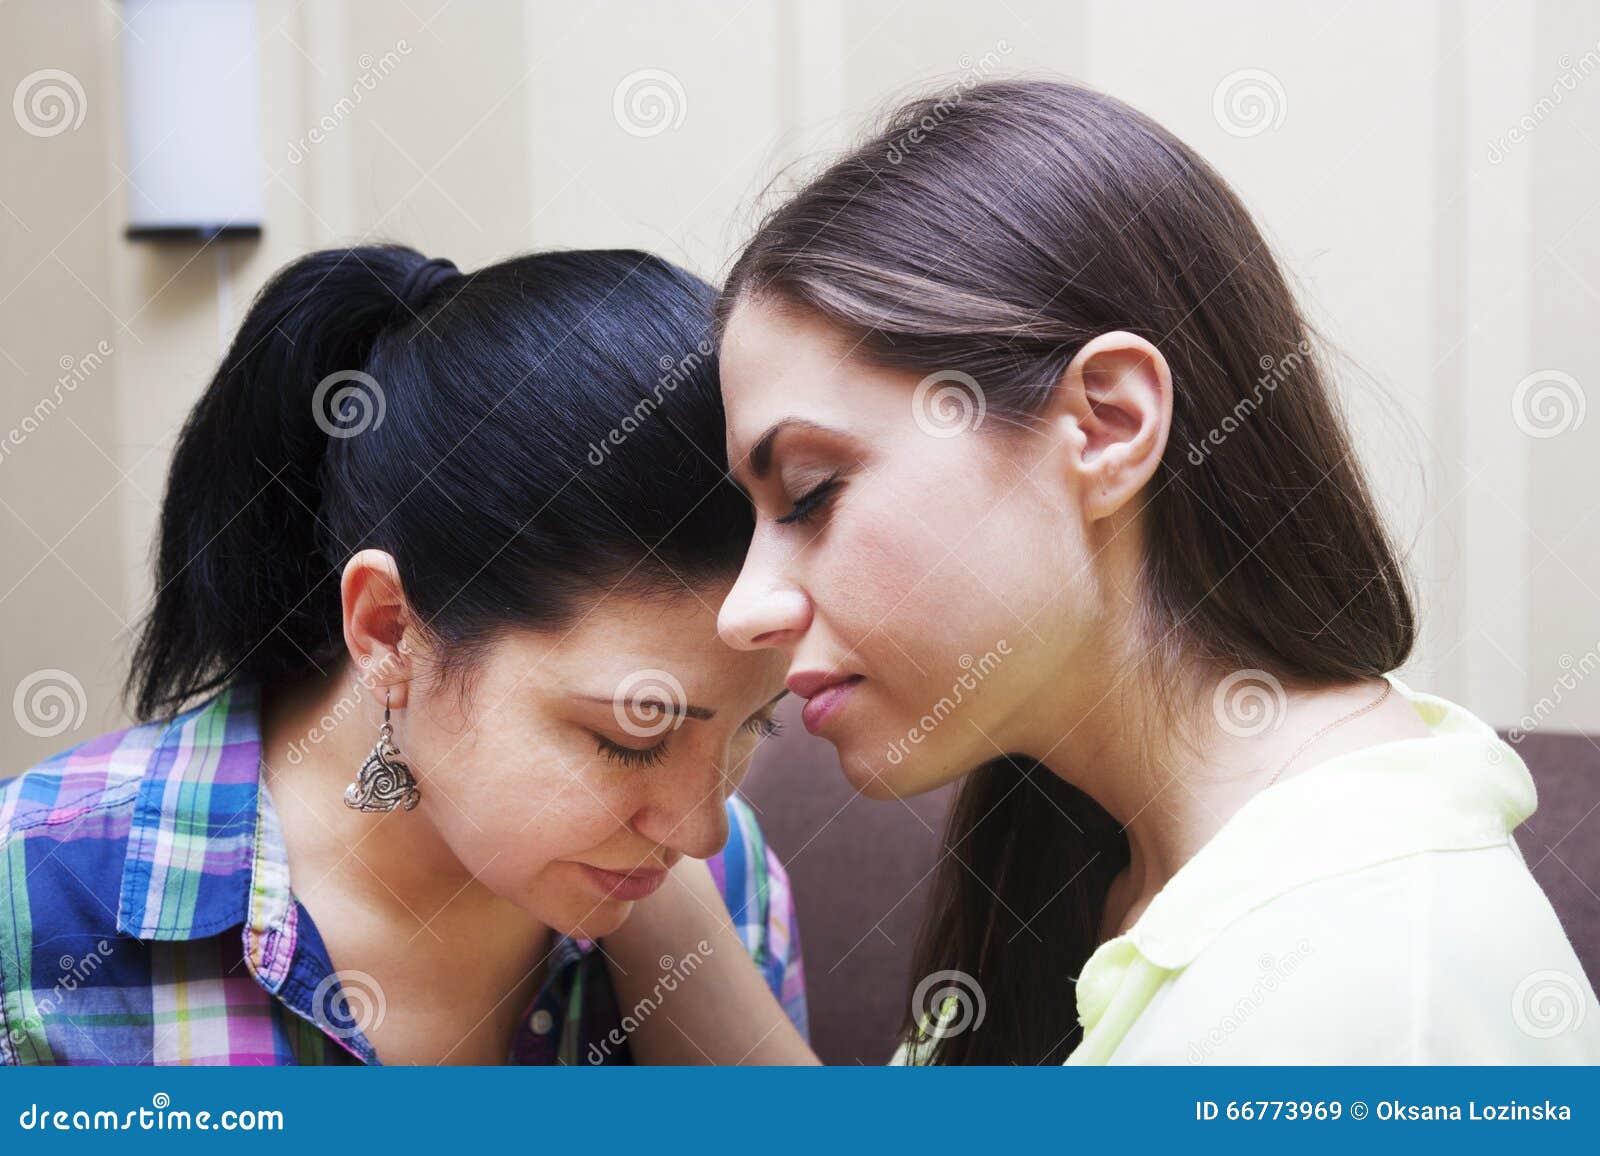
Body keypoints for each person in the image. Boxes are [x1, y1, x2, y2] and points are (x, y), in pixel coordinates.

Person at [611, 79, 1600, 1065]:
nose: (747, 609)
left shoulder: (1352, 991)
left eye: (814, 490)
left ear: (1106, 425)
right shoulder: (1110, 866)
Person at [0, 245, 806, 1065]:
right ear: (387, 629)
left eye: (755, 727)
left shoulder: (730, 882)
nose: (700, 831)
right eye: (632, 734)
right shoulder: (33, 896)